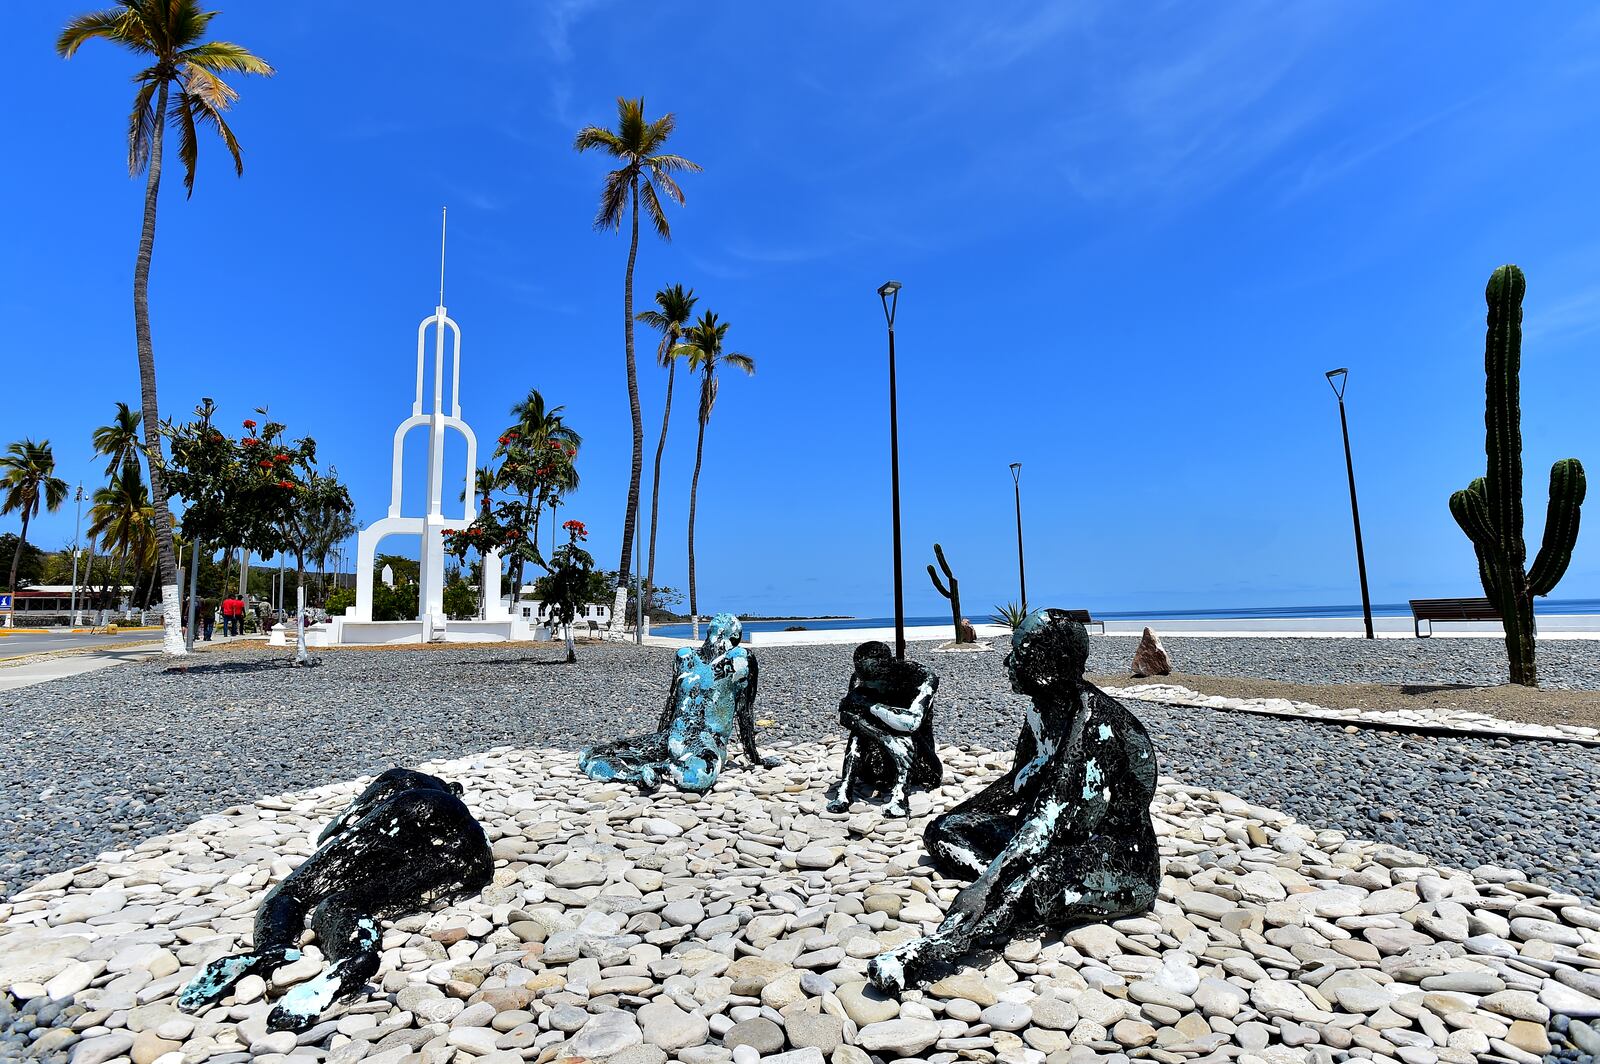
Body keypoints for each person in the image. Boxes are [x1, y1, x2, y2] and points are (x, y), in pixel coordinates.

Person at [868, 608, 1161, 994]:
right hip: (1050, 834)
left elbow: (1048, 820)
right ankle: (1008, 884)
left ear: (1051, 663)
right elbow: (1018, 782)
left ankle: (940, 947)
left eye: (1019, 651)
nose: (1009, 661)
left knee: (1038, 874)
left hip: (1114, 858)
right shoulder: (1042, 709)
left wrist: (982, 889)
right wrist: (962, 817)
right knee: (943, 832)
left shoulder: (1095, 725)